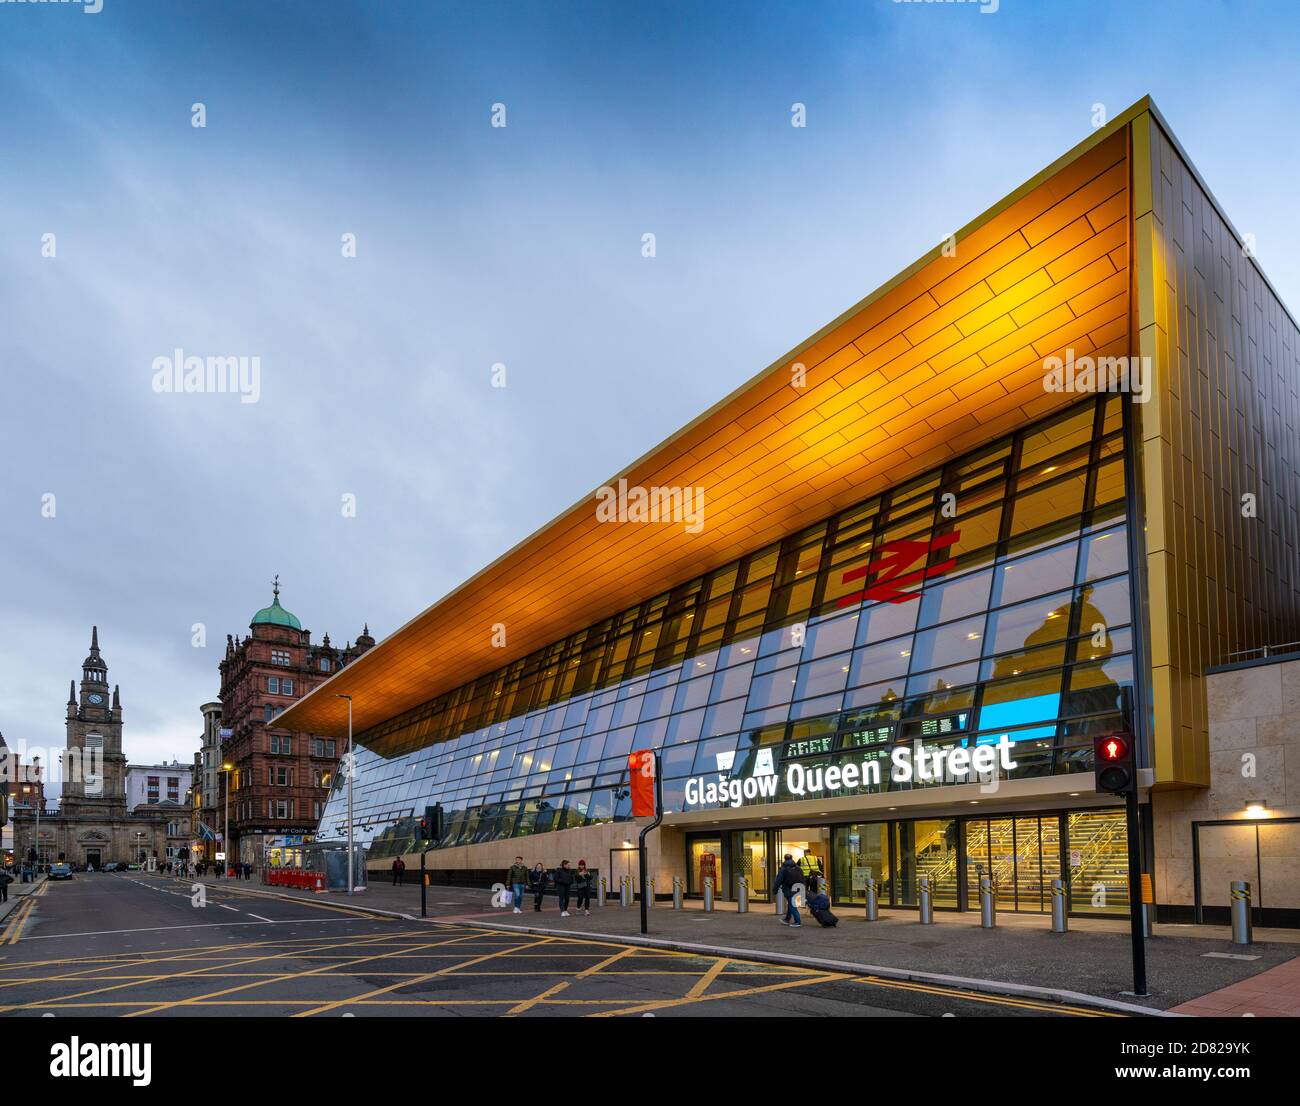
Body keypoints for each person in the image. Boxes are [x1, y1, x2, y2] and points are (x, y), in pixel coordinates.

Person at [776, 853, 803, 928]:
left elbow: (778, 880)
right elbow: (802, 879)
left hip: (788, 888)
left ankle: (798, 921)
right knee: (791, 904)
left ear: (784, 859)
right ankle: (787, 919)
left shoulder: (783, 868)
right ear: (792, 858)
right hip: (798, 888)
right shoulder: (798, 868)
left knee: (792, 905)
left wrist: (775, 890)